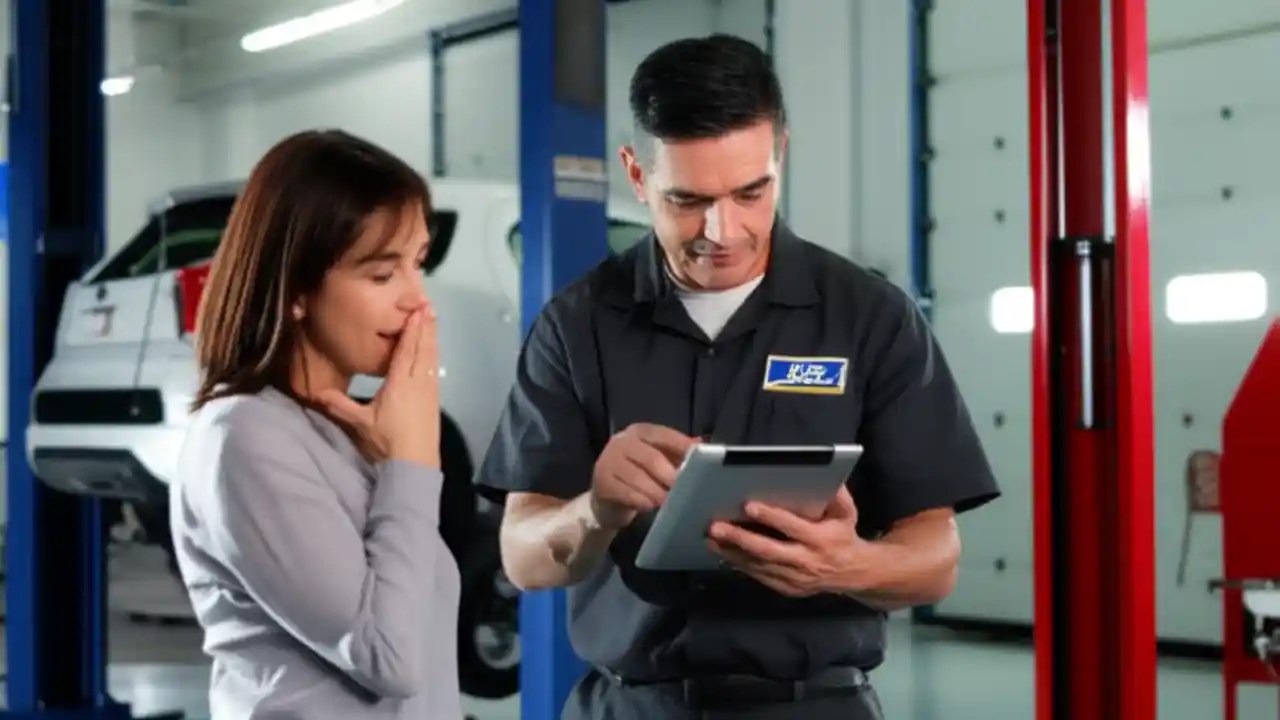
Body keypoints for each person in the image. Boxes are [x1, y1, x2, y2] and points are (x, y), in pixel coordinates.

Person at [476, 34, 1000, 719]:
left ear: (780, 152)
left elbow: (936, 558)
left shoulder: (870, 319)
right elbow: (523, 558)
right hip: (633, 706)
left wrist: (843, 566)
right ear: (637, 176)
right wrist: (596, 510)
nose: (722, 230)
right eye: (687, 199)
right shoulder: (577, 327)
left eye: (751, 192)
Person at [169, 129, 464, 719]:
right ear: (297, 289)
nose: (416, 299)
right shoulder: (245, 438)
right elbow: (389, 655)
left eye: (418, 264)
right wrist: (411, 462)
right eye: (382, 275)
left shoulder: (348, 432)